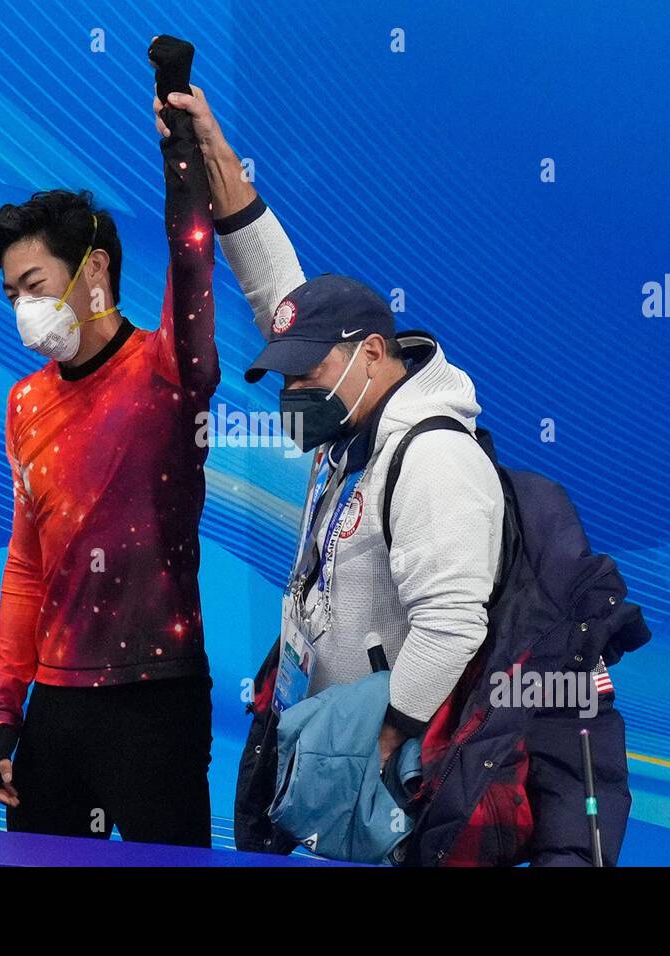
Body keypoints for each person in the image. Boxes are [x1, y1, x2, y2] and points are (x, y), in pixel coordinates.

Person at [154, 86, 506, 764]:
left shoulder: (433, 457)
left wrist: (377, 751)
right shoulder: (354, 421)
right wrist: (214, 155)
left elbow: (453, 627)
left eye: (305, 374)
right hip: (317, 738)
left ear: (373, 353)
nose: (291, 392)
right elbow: (276, 293)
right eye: (284, 376)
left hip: (380, 771)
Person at [0, 37, 216, 847]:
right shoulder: (23, 401)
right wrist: (6, 709)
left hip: (158, 694)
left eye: (33, 286)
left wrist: (179, 149)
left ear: (96, 271)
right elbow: (25, 563)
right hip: (57, 701)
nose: (21, 309)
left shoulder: (170, 367)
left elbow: (191, 262)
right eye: (9, 294)